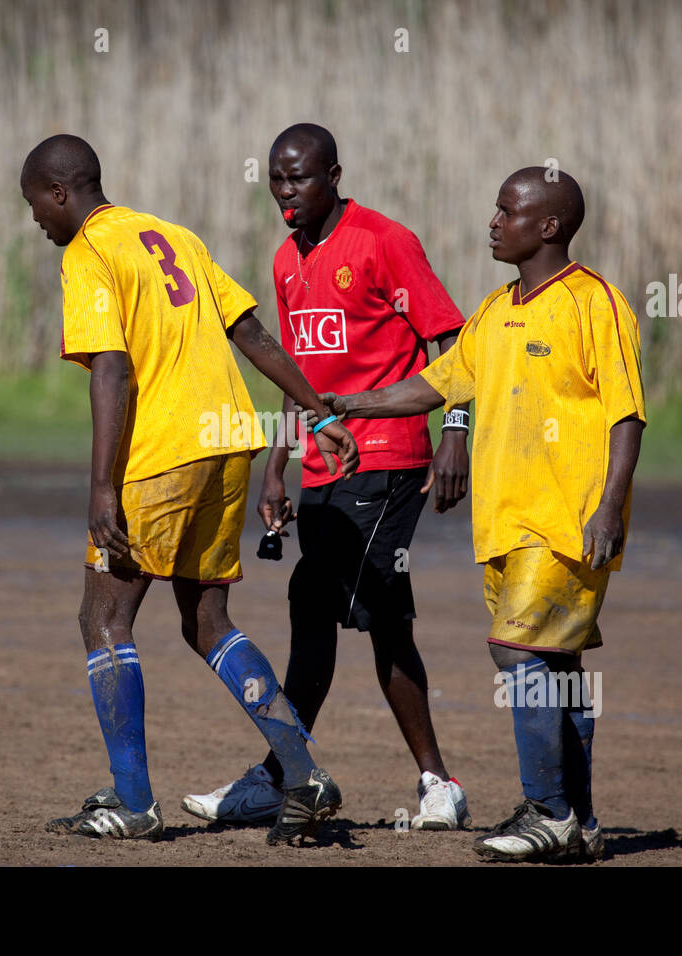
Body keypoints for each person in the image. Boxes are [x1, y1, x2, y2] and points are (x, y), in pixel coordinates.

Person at [21, 134, 360, 845]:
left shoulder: (89, 250)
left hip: (163, 454)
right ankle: (301, 772)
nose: (37, 224)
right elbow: (253, 333)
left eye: (35, 207)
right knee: (207, 624)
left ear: (60, 194)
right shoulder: (174, 235)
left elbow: (112, 370)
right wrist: (318, 411)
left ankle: (134, 801)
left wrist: (102, 488)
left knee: (104, 620)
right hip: (228, 441)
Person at [306, 166, 645, 862]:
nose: (493, 222)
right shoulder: (495, 310)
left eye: (507, 211)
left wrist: (609, 507)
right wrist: (347, 403)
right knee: (557, 665)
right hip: (503, 523)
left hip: (567, 520)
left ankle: (545, 809)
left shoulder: (596, 304)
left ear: (548, 227)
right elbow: (435, 384)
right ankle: (577, 821)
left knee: (515, 649)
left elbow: (627, 415)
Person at [182, 123, 472, 831]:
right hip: (322, 465)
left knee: (365, 616)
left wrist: (455, 436)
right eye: (277, 180)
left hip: (389, 454)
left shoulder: (384, 241)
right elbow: (296, 379)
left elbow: (450, 340)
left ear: (334, 175)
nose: (287, 192)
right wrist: (276, 467)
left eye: (301, 179)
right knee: (324, 612)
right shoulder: (286, 261)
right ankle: (290, 774)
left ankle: (424, 781)